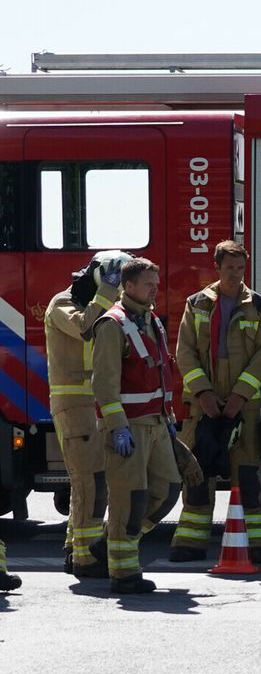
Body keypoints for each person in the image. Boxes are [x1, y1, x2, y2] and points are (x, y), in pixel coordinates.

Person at [169, 240, 261, 563]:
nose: (235, 274)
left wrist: (239, 395)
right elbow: (184, 352)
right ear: (217, 267)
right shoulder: (197, 304)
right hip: (203, 408)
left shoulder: (259, 307)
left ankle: (258, 543)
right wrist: (203, 393)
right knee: (198, 475)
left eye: (240, 267)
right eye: (229, 267)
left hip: (243, 409)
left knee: (247, 476)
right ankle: (190, 541)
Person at [91, 258, 181, 595]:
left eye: (156, 283)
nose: (154, 288)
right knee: (130, 500)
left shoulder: (151, 320)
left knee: (169, 490)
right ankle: (124, 573)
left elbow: (161, 372)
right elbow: (104, 385)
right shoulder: (112, 325)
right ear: (127, 286)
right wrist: (117, 426)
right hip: (130, 427)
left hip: (157, 423)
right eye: (148, 283)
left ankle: (108, 542)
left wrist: (169, 419)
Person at [44, 250, 132, 577]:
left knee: (90, 482)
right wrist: (108, 292)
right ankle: (87, 558)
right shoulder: (61, 304)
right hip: (74, 405)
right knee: (89, 483)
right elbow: (84, 328)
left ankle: (74, 548)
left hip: (94, 404)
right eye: (114, 277)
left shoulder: (103, 303)